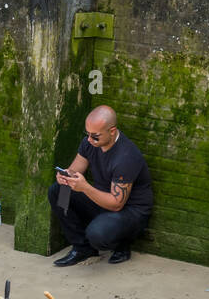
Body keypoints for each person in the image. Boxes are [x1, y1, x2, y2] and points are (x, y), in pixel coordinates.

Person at [49, 106, 153, 266]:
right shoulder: (89, 143)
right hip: (101, 199)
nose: (89, 139)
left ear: (112, 131)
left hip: (130, 212)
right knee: (58, 191)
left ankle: (121, 243)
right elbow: (75, 168)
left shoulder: (126, 157)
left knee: (97, 234)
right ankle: (82, 248)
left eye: (95, 136)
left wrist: (85, 187)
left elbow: (116, 204)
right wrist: (65, 176)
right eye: (87, 134)